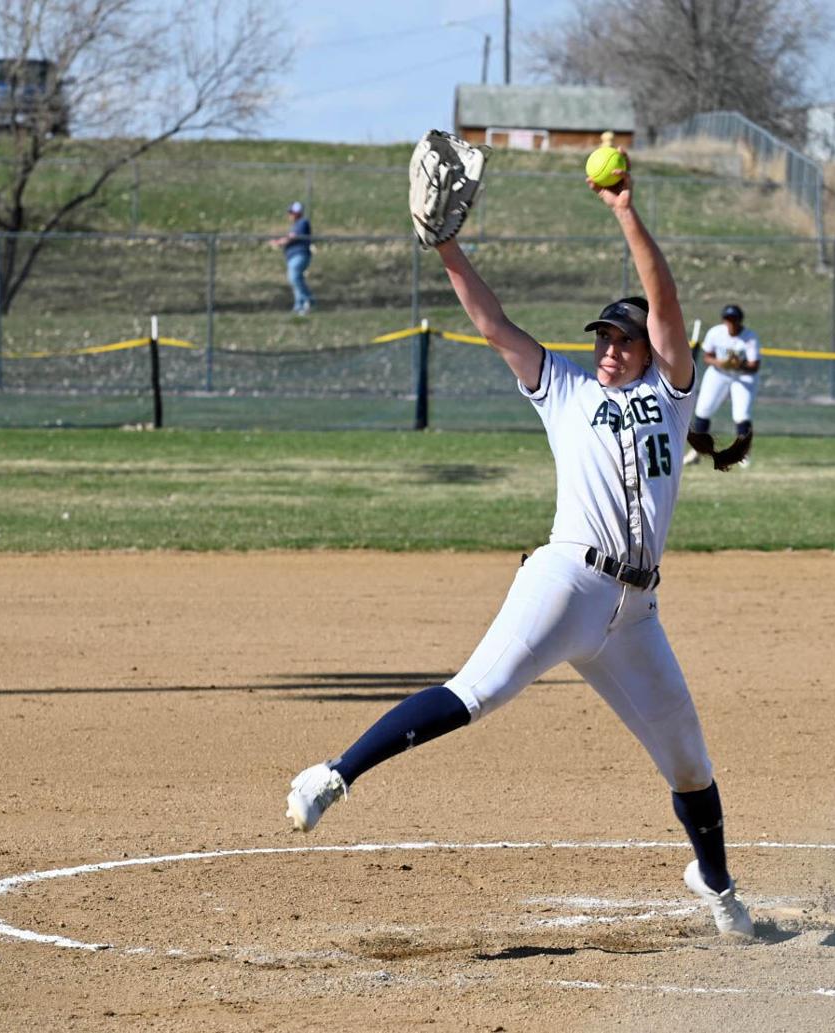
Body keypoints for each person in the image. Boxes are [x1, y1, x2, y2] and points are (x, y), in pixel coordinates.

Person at [284, 150, 754, 938]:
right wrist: (444, 245)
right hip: (569, 579)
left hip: (637, 613)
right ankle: (335, 774)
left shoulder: (670, 395)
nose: (610, 346)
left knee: (689, 762)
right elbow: (493, 322)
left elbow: (667, 302)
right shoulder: (566, 390)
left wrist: (623, 212)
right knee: (481, 691)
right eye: (603, 335)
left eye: (623, 337)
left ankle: (716, 886)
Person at [683, 304, 760, 467]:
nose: (730, 323)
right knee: (703, 410)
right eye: (727, 319)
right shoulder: (716, 332)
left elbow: (755, 366)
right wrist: (721, 362)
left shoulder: (749, 337)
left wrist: (739, 365)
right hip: (719, 374)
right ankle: (698, 450)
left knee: (741, 414)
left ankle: (743, 453)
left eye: (734, 319)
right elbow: (707, 356)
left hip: (743, 377)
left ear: (740, 321)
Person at [270, 201, 314, 315]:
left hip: (300, 255)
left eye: (291, 212)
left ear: (297, 213)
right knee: (295, 280)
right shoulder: (296, 224)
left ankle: (309, 300)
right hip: (293, 257)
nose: (289, 215)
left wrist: (278, 242)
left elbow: (292, 237)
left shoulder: (302, 223)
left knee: (294, 278)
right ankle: (299, 306)